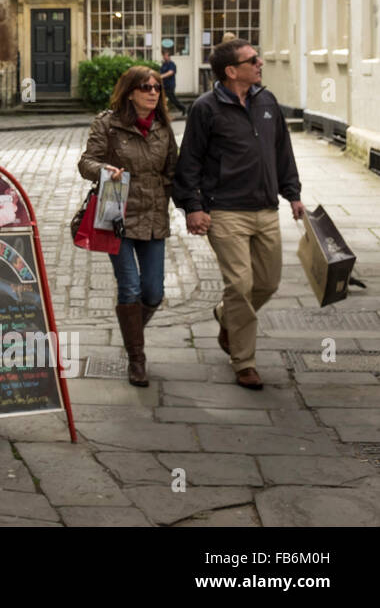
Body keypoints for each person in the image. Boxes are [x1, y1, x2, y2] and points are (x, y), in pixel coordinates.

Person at [173, 39, 305, 390]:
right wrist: (193, 207)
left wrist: (292, 193)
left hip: (265, 209)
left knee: (268, 282)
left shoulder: (267, 100)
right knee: (241, 284)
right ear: (232, 71)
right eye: (252, 60)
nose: (260, 62)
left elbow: (282, 150)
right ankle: (244, 362)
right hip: (225, 211)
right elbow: (189, 162)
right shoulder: (206, 108)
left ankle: (224, 315)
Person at [78, 65, 178, 387]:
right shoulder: (108, 124)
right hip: (115, 215)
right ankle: (137, 357)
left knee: (154, 291)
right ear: (130, 91)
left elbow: (174, 170)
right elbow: (86, 162)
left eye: (156, 88)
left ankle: (131, 331)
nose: (152, 92)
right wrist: (103, 169)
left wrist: (192, 206)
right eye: (145, 87)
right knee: (130, 287)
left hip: (152, 218)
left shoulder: (163, 127)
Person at [159, 47, 186, 116]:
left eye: (165, 55)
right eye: (163, 55)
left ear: (168, 56)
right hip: (163, 85)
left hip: (170, 85)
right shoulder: (163, 64)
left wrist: (161, 76)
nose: (164, 57)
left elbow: (170, 72)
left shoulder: (172, 64)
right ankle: (161, 113)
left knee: (172, 99)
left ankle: (183, 108)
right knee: (160, 98)